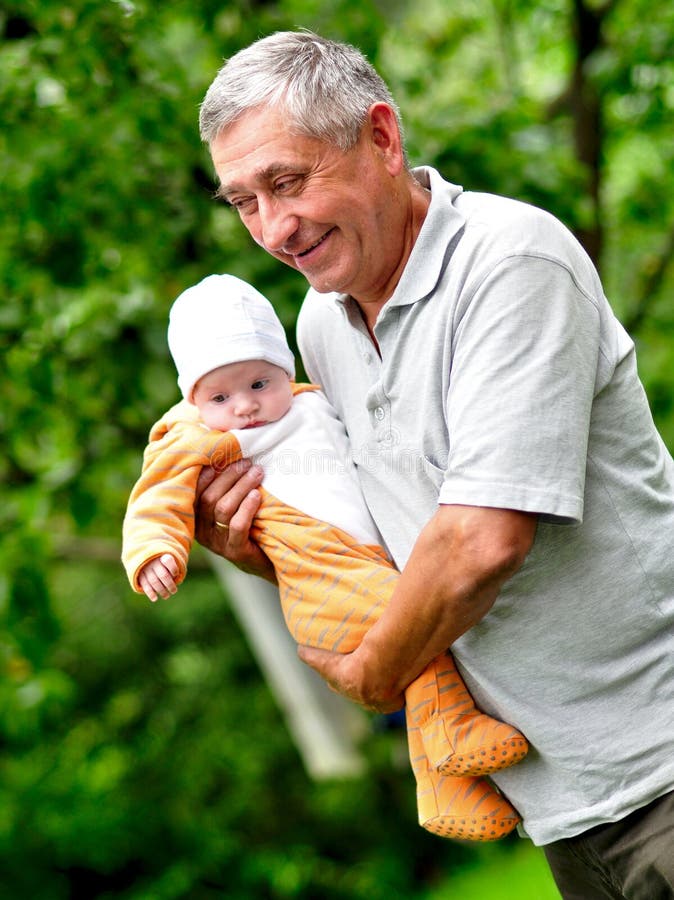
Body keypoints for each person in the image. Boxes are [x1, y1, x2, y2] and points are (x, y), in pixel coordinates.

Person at [194, 30, 674, 898]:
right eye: (244, 202)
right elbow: (389, 549)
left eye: (288, 182)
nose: (273, 229)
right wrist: (262, 550)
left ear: (381, 137)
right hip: (559, 804)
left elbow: (481, 541)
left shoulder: (510, 261)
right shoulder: (320, 324)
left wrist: (372, 674)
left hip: (659, 763)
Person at [121, 272, 529, 841]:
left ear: (284, 370)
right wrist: (154, 550)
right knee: (414, 616)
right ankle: (453, 730)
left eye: (259, 383)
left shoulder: (311, 403)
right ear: (193, 399)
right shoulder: (196, 436)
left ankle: (443, 789)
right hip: (319, 582)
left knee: (416, 632)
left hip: (361, 565)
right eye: (220, 397)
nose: (245, 406)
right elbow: (155, 496)